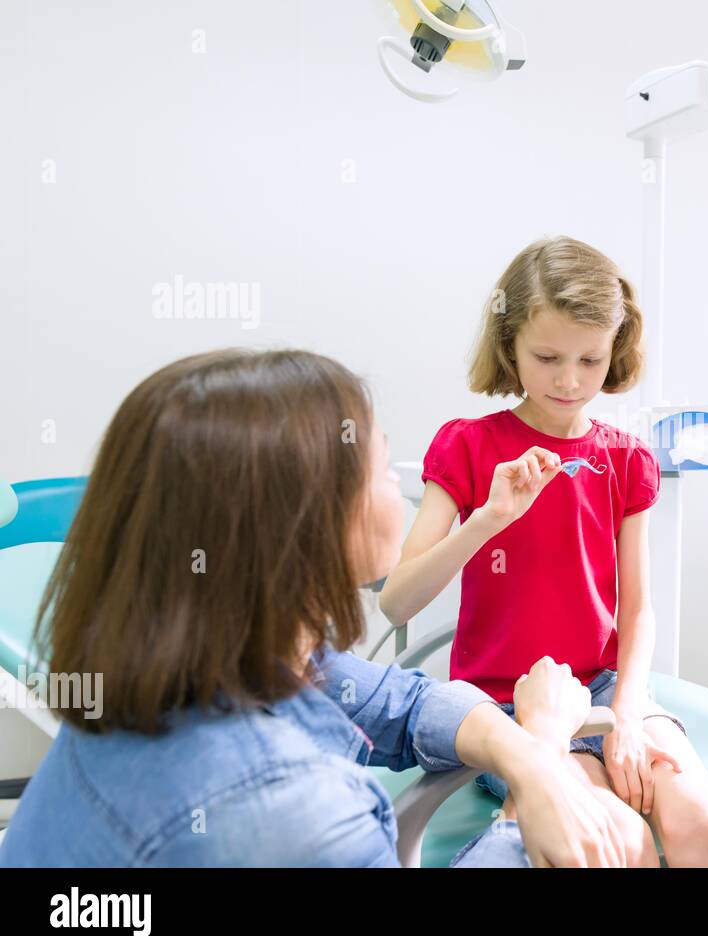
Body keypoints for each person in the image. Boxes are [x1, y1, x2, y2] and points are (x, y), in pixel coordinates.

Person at [0, 349, 642, 867]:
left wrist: (532, 761)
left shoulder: (210, 661)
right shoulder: (286, 812)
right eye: (381, 467)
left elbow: (401, 702)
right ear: (308, 526)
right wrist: (543, 757)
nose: (399, 482)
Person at [380, 236, 708, 866]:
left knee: (704, 823)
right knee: (616, 837)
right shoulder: (467, 447)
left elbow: (638, 607)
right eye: (547, 357)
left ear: (614, 351)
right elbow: (396, 601)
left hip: (603, 688)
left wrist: (627, 710)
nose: (570, 382)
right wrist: (485, 521)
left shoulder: (624, 458)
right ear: (509, 344)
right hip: (506, 705)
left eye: (590, 360)